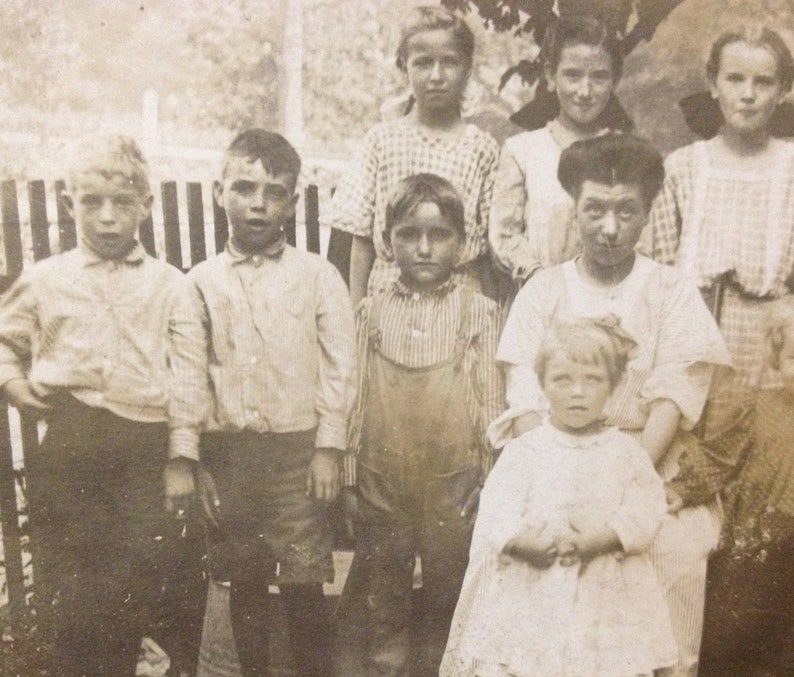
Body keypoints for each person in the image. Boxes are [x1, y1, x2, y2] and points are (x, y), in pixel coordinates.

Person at [482, 133, 730, 677]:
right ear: (574, 206)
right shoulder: (543, 290)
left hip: (649, 468)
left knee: (667, 554)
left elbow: (675, 397)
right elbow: (528, 398)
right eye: (595, 209)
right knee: (544, 559)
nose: (610, 228)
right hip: (553, 464)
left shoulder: (672, 290)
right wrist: (568, 481)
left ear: (648, 212)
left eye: (626, 211)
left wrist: (621, 481)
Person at [0, 134, 203, 677]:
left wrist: (179, 457)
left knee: (130, 578)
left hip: (141, 444)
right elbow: (6, 339)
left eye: (122, 202)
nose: (108, 217)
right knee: (72, 575)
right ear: (70, 204)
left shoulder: (172, 286)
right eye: (92, 203)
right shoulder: (46, 279)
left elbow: (190, 376)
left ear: (146, 203)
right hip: (71, 440)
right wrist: (12, 382)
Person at [165, 129, 356, 677]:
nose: (257, 204)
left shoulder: (318, 277)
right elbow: (188, 375)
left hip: (299, 456)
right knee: (245, 578)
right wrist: (190, 457)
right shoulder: (199, 283)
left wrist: (330, 447)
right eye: (244, 188)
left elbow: (339, 372)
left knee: (303, 581)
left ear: (292, 204)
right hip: (230, 457)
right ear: (220, 192)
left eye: (273, 193)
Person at [432, 317, 678, 677]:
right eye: (563, 380)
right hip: (530, 596)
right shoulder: (526, 451)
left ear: (615, 385)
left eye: (593, 380)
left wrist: (606, 537)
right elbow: (496, 511)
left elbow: (647, 509)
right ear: (542, 384)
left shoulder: (625, 454)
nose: (577, 393)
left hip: (595, 598)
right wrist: (522, 541)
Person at [335, 173, 503, 677]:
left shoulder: (478, 312)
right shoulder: (371, 312)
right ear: (387, 241)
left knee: (449, 585)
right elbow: (355, 396)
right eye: (409, 235)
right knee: (379, 582)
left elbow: (488, 399)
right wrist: (352, 471)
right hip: (384, 470)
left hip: (453, 475)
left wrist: (488, 471)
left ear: (462, 241)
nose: (424, 249)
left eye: (439, 235)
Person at [666, 296, 794, 677]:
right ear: (775, 356)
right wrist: (678, 490)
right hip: (764, 550)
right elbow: (716, 461)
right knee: (766, 656)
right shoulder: (752, 406)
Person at [650, 25, 794, 427]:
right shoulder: (682, 167)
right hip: (695, 348)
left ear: (783, 90)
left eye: (763, 82)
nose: (748, 94)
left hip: (773, 353)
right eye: (734, 79)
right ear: (713, 84)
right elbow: (659, 274)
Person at [325, 5, 499, 305]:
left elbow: (487, 251)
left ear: (468, 69)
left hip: (460, 301)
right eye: (423, 63)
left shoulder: (482, 149)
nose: (436, 75)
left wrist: (491, 316)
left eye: (449, 63)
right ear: (404, 68)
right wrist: (357, 310)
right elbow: (362, 239)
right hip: (388, 296)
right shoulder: (383, 140)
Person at [489, 15, 629, 288]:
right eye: (573, 75)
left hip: (607, 305)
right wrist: (540, 278)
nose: (585, 91)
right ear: (550, 75)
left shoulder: (628, 154)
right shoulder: (523, 152)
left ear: (614, 80)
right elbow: (504, 236)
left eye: (599, 77)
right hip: (539, 301)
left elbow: (640, 239)